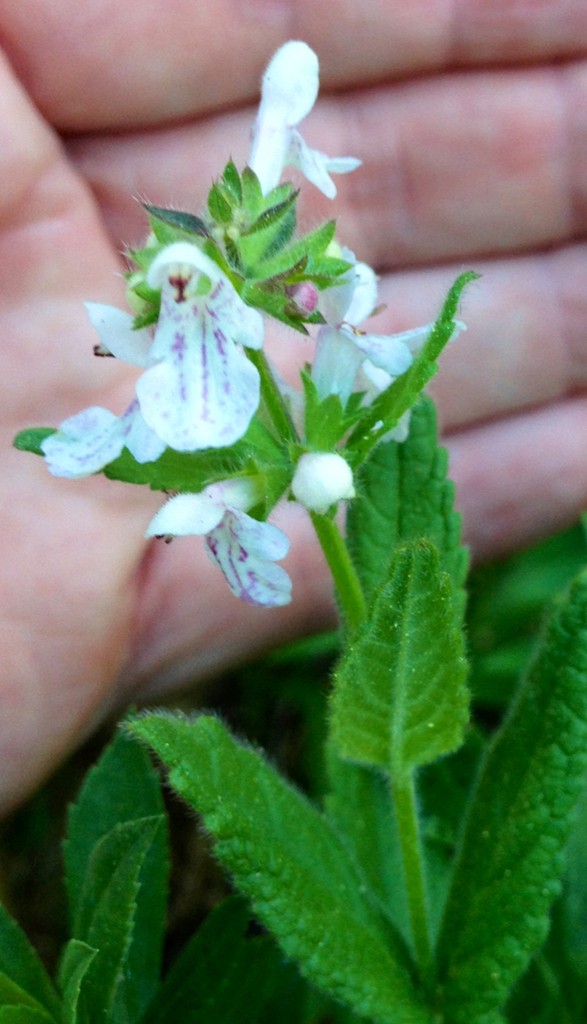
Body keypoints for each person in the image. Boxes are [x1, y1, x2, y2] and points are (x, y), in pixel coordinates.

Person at [2, 0, 587, 814]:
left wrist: (309, 313)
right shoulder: (187, 328)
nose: (182, 288)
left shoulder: (234, 311)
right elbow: (186, 336)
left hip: (259, 376)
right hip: (207, 388)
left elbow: (256, 319)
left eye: (189, 283)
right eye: (174, 284)